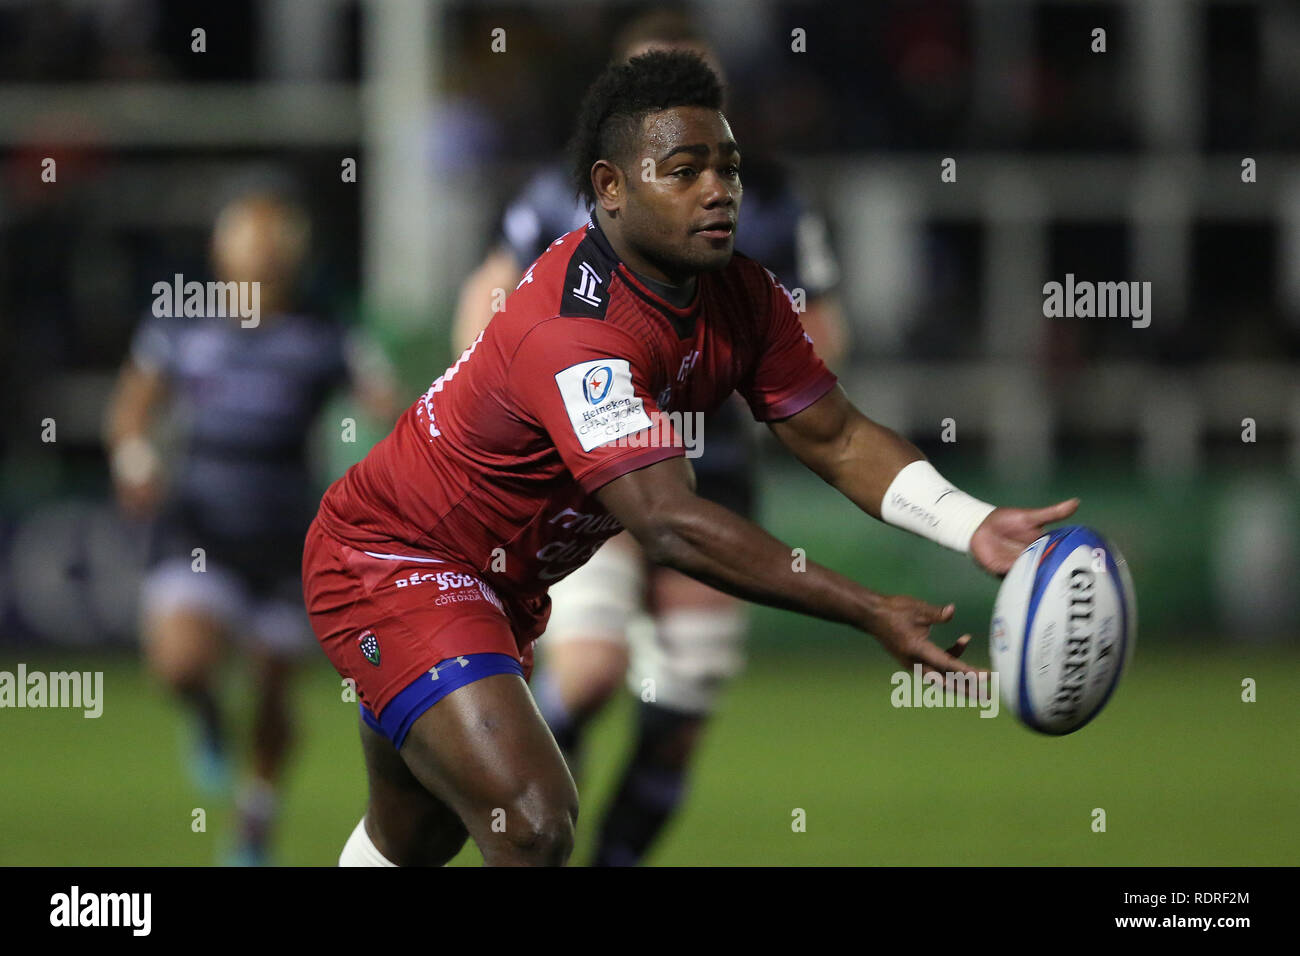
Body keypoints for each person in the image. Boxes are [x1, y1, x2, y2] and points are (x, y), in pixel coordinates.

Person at [304, 50, 1078, 867]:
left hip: (502, 582)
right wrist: (869, 609)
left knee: (411, 839)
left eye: (729, 168)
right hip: (394, 558)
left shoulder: (743, 297)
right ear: (610, 188)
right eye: (684, 171)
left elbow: (837, 436)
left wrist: (974, 524)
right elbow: (669, 525)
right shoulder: (574, 330)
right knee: (532, 822)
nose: (719, 190)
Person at [451, 11, 848, 866]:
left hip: (717, 473)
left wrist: (770, 374)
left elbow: (824, 329)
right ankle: (495, 805)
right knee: (590, 673)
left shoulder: (769, 201)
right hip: (592, 474)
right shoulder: (562, 198)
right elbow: (486, 297)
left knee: (680, 711)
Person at [104, 191, 399, 865]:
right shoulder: (181, 327)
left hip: (287, 533)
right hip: (199, 524)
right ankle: (205, 712)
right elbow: (132, 405)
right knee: (177, 663)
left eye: (273, 257)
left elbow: (389, 408)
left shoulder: (325, 333)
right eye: (249, 254)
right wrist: (134, 456)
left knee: (272, 689)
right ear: (223, 257)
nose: (259, 269)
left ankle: (254, 825)